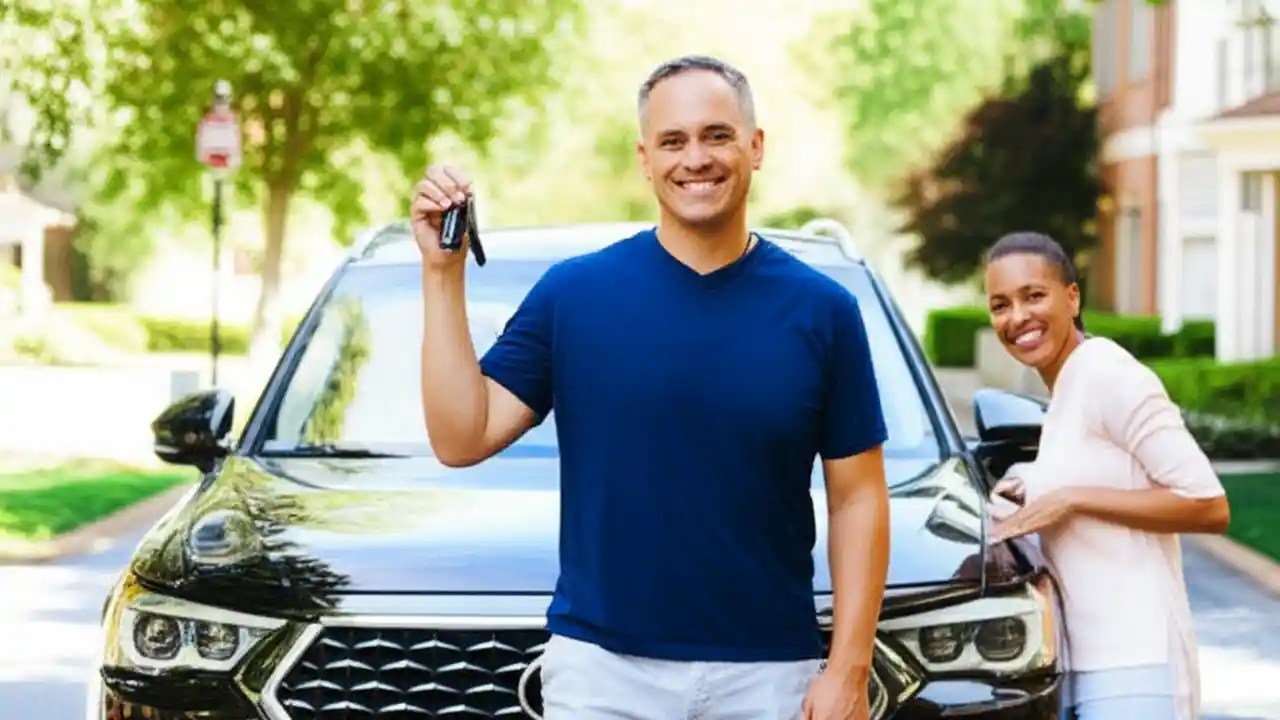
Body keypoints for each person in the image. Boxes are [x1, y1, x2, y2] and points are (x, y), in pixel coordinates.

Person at [410, 55, 891, 719]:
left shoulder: (823, 311)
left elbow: (858, 498)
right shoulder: (574, 296)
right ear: (645, 157)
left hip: (772, 678)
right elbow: (460, 437)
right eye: (673, 141)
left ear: (755, 146)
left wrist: (849, 669)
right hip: (604, 676)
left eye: (716, 135)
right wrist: (442, 275)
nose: (696, 158)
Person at [981, 231, 1231, 720]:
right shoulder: (1068, 393)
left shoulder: (1110, 375)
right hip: (1086, 665)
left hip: (1136, 665)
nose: (1017, 318)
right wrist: (1026, 485)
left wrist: (1073, 499)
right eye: (1000, 305)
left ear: (1072, 297)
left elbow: (1208, 504)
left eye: (1034, 295)